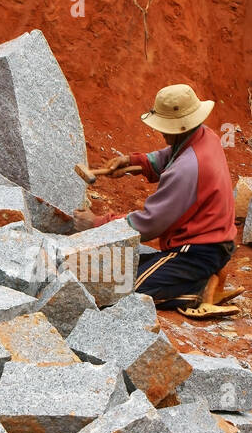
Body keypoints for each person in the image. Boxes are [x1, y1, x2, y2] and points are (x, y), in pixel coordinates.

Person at [77, 83, 242, 318]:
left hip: (195, 252)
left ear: (180, 126)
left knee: (122, 291)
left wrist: (97, 224)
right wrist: (134, 162)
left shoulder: (186, 170)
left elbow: (150, 223)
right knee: (117, 270)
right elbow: (170, 156)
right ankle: (202, 276)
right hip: (213, 244)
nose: (161, 132)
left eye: (165, 127)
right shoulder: (206, 136)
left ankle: (198, 289)